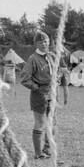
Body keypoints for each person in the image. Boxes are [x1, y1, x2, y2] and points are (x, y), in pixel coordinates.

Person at [21, 30, 55, 159]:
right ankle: (38, 153)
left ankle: (47, 149)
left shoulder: (51, 56)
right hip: (39, 95)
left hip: (52, 93)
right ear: (36, 44)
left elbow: (56, 72)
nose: (44, 44)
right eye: (40, 42)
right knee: (40, 122)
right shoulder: (33, 59)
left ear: (49, 42)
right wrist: (37, 88)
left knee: (52, 122)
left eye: (45, 41)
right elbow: (24, 78)